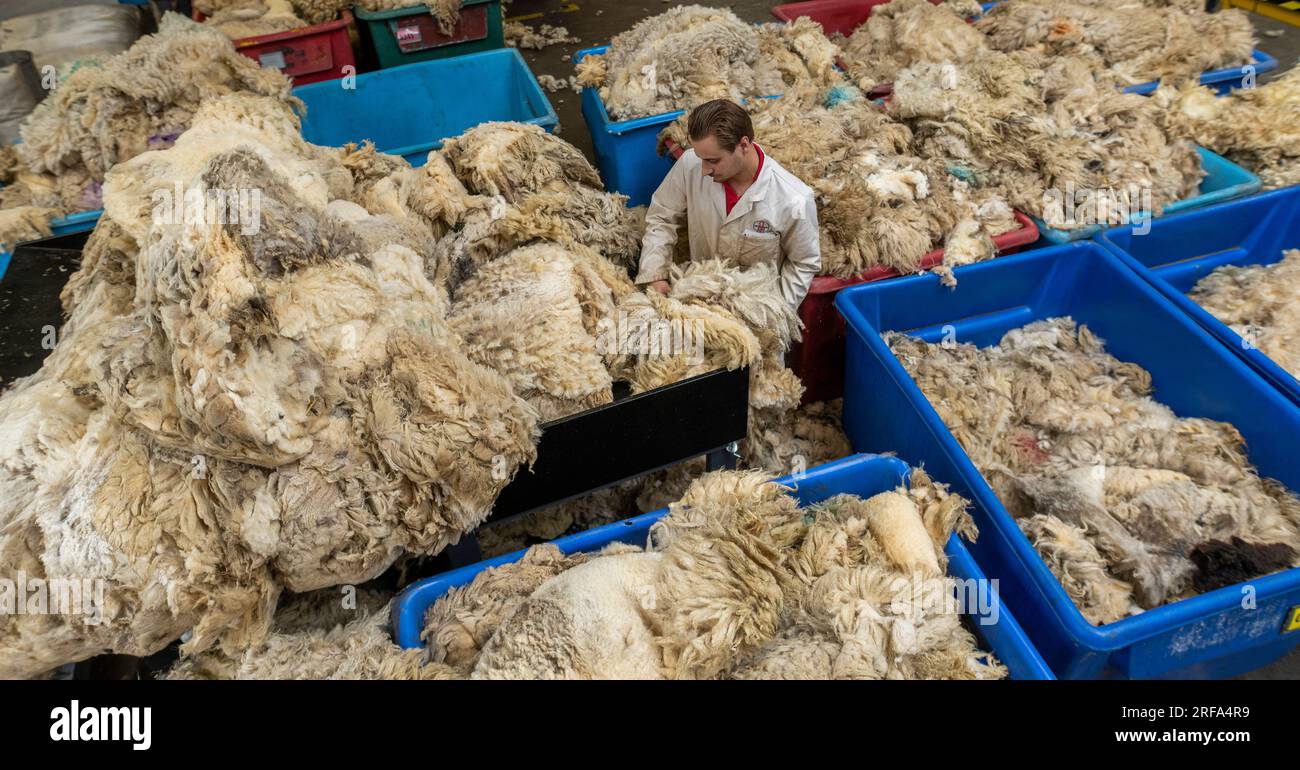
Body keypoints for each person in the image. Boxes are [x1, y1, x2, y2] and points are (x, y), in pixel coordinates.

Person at [634, 99, 822, 309]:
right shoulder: (690, 165)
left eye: (713, 161)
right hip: (698, 297)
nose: (704, 170)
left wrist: (772, 314)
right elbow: (662, 216)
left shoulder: (793, 199)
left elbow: (803, 263)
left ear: (743, 145)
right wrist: (655, 273)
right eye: (700, 158)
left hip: (755, 311)